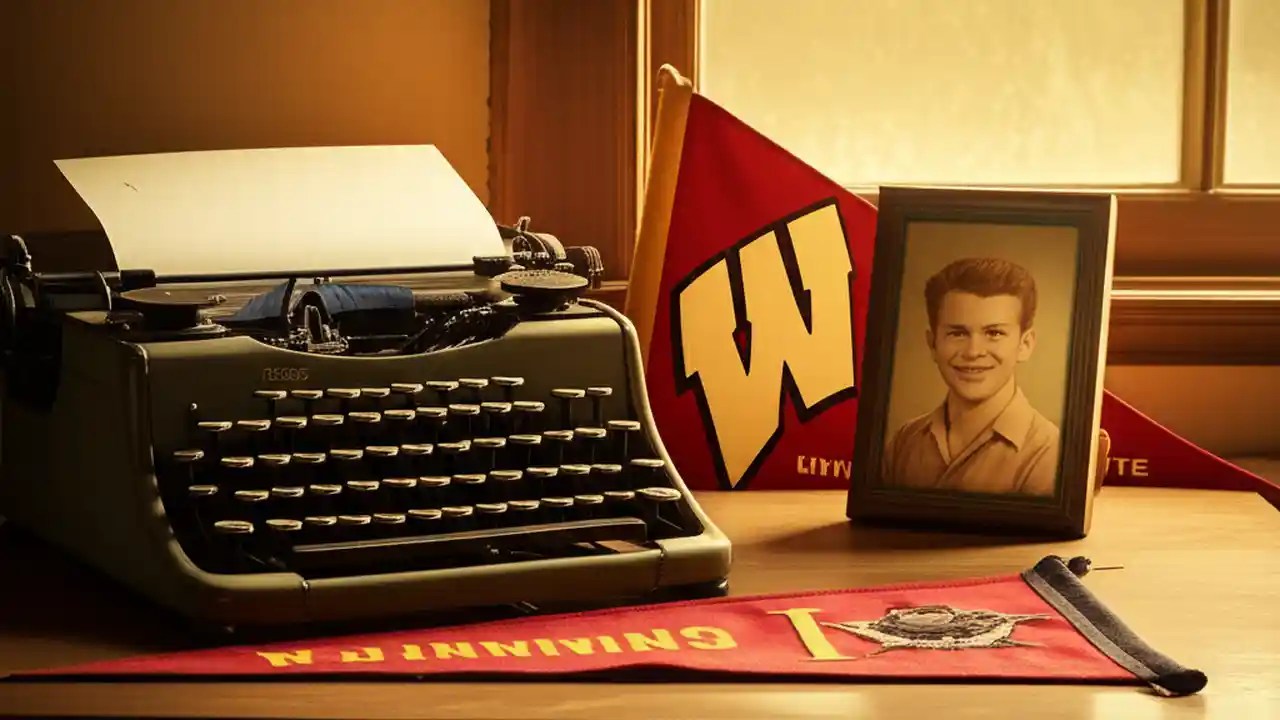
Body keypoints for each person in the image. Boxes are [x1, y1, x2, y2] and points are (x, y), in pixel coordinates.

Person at [882, 257, 1060, 497]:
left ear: (1024, 345)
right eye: (957, 333)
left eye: (994, 333)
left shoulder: (1049, 453)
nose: (973, 352)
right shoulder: (905, 441)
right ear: (933, 344)